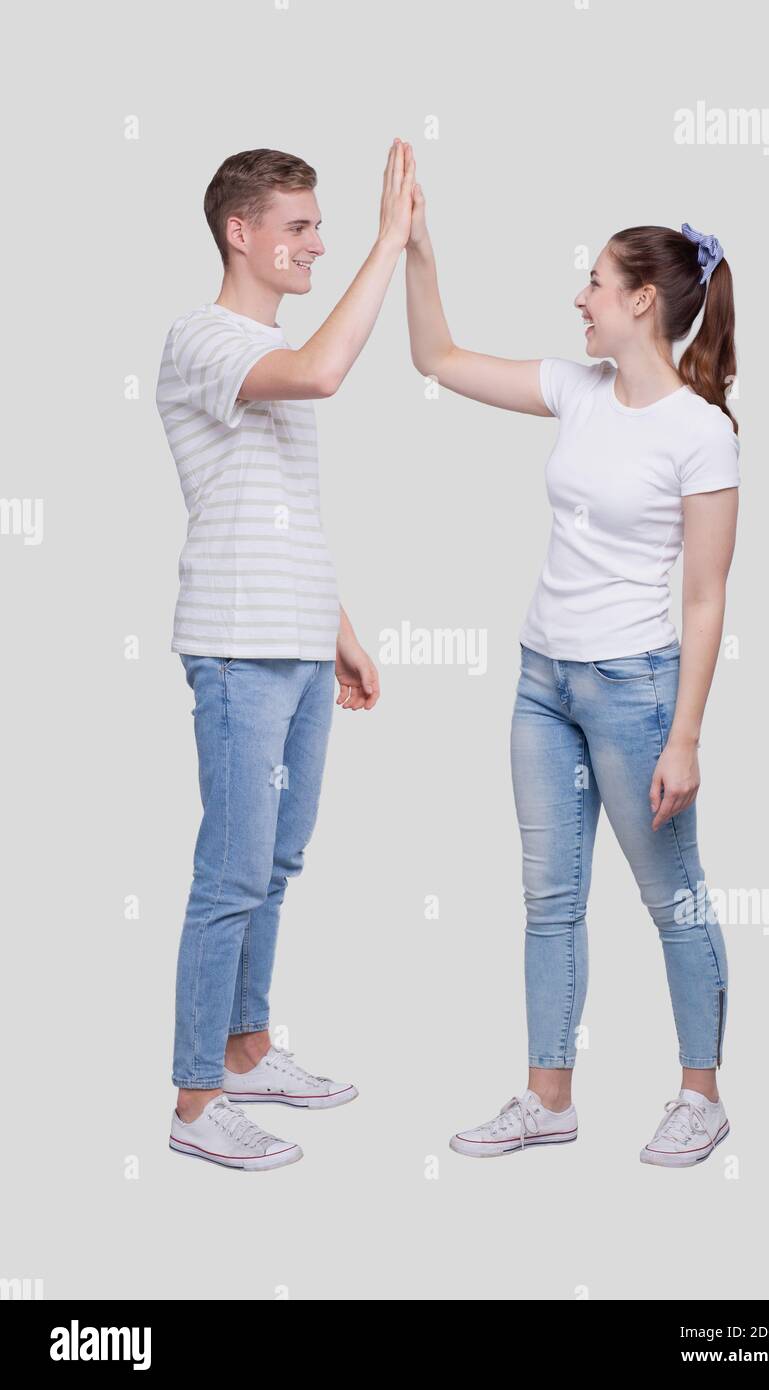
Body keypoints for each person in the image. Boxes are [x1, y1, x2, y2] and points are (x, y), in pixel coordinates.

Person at [404, 151, 739, 1168]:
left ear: (641, 302)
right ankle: (547, 1095)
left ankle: (699, 1092)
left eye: (593, 282)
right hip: (541, 681)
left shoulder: (701, 433)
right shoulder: (577, 390)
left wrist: (683, 737)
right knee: (547, 898)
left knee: (669, 897)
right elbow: (438, 359)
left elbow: (705, 595)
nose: (577, 297)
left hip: (635, 692)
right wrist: (417, 249)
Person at [157, 140, 415, 1171]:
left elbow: (281, 519)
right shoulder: (202, 339)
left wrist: (339, 634)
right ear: (242, 233)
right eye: (300, 226)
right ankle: (192, 1102)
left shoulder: (259, 352)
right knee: (229, 874)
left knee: (274, 862)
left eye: (322, 225)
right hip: (235, 650)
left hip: (297, 644)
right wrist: (394, 239)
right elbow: (319, 372)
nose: (317, 242)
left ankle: (248, 1049)